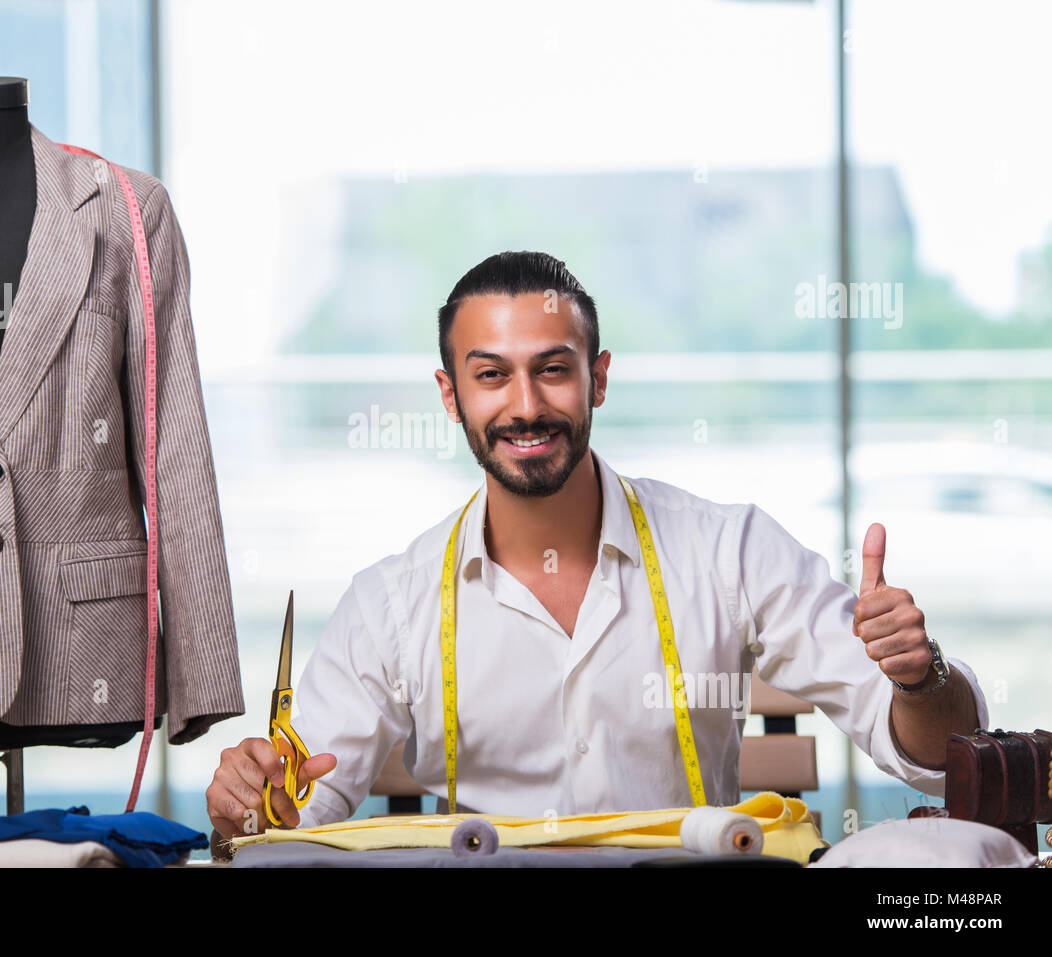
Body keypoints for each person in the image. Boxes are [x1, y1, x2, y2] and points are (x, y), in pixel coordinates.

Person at [206, 251, 986, 842]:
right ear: (450, 395)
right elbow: (291, 822)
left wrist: (920, 679)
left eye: (553, 370)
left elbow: (938, 755)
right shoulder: (389, 604)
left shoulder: (731, 551)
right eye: (491, 376)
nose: (526, 405)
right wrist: (254, 800)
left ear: (599, 379)